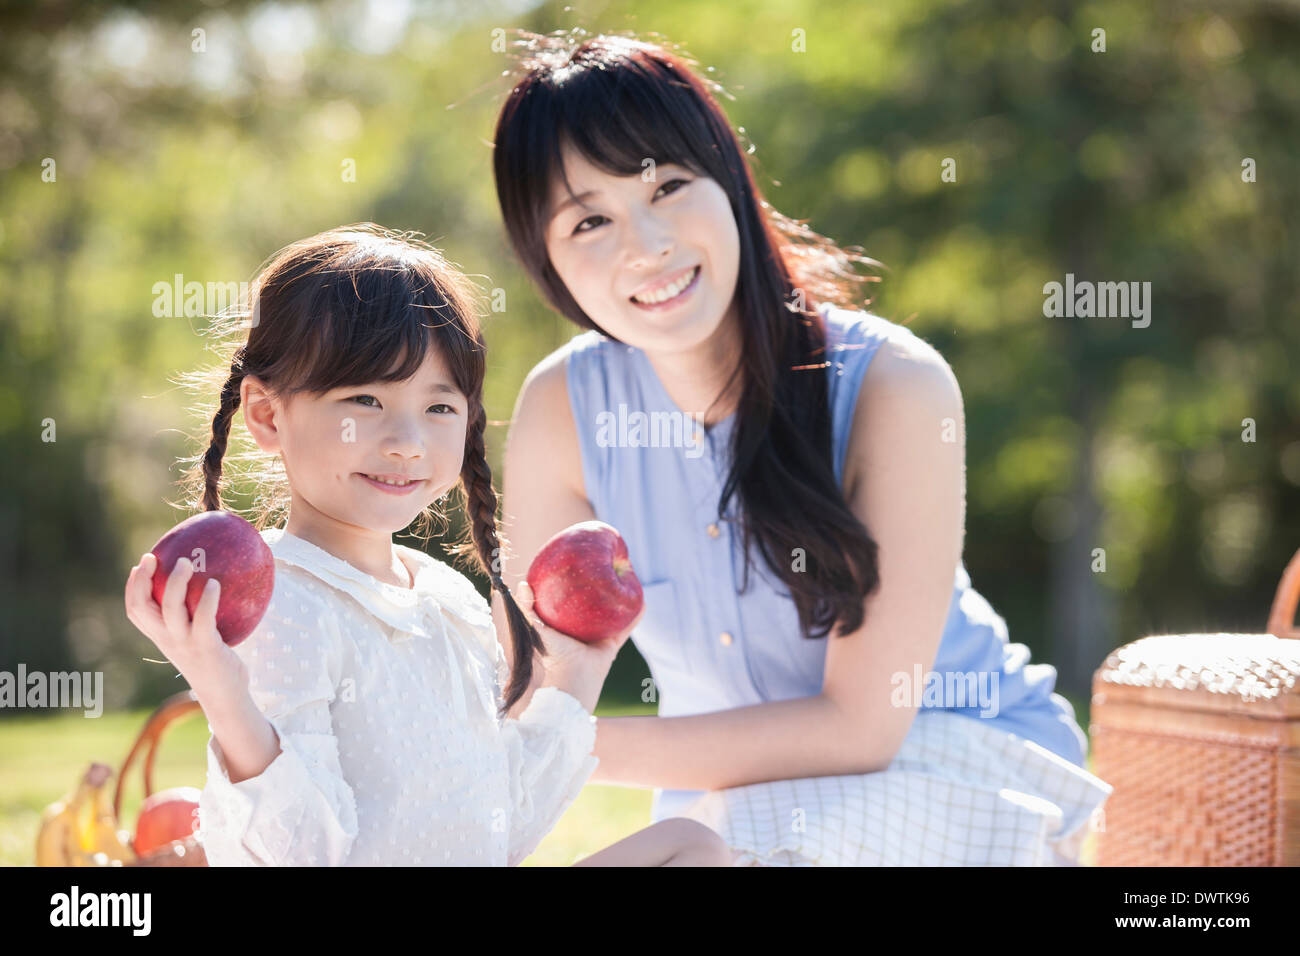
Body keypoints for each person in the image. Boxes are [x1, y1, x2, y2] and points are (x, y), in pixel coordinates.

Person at [489, 32, 1113, 865]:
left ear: (732, 184)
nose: (646, 244)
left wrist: (562, 746)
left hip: (958, 758)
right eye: (590, 220)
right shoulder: (562, 407)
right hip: (737, 802)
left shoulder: (895, 384)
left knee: (699, 850)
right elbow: (534, 681)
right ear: (546, 263)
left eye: (669, 186)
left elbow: (860, 728)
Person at [123, 223, 731, 867]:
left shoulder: (449, 599)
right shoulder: (283, 603)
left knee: (691, 848)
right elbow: (302, 854)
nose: (407, 440)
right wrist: (223, 691)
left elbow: (501, 827)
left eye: (439, 407)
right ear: (269, 415)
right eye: (365, 399)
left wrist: (581, 671)